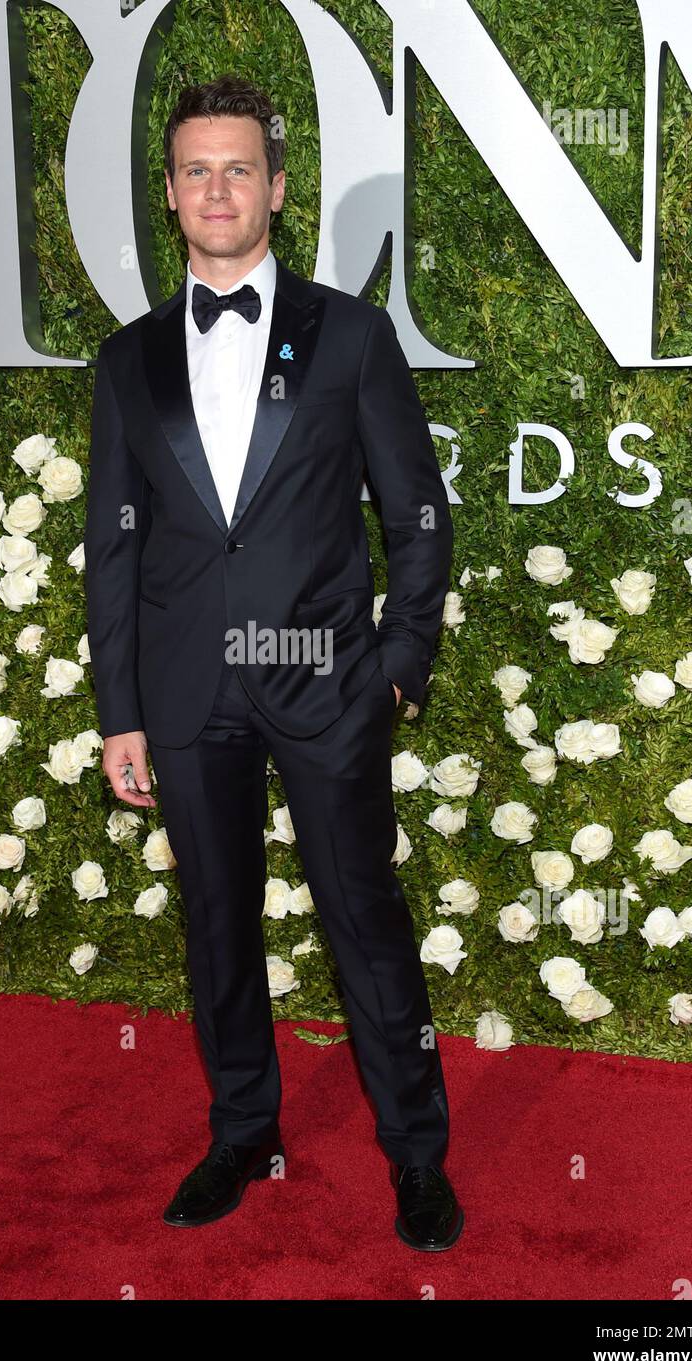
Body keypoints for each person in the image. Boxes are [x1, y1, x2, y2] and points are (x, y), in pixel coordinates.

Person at [85, 75, 461, 1251]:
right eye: (195, 169)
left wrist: (397, 666)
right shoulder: (127, 358)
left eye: (236, 167)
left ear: (276, 190)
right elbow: (109, 543)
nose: (215, 188)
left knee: (363, 918)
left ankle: (414, 1152)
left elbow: (417, 517)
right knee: (216, 927)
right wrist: (120, 711)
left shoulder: (348, 334)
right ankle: (243, 1129)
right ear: (169, 195)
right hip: (188, 696)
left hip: (324, 683)